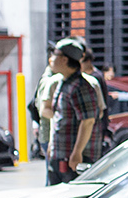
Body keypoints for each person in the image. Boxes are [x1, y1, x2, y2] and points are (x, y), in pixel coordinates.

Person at [43, 39, 100, 185]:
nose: (51, 58)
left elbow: (88, 121)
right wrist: (52, 143)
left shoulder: (81, 87)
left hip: (73, 160)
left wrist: (77, 153)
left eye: (54, 54)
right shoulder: (63, 82)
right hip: (61, 155)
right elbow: (58, 117)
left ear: (64, 59)